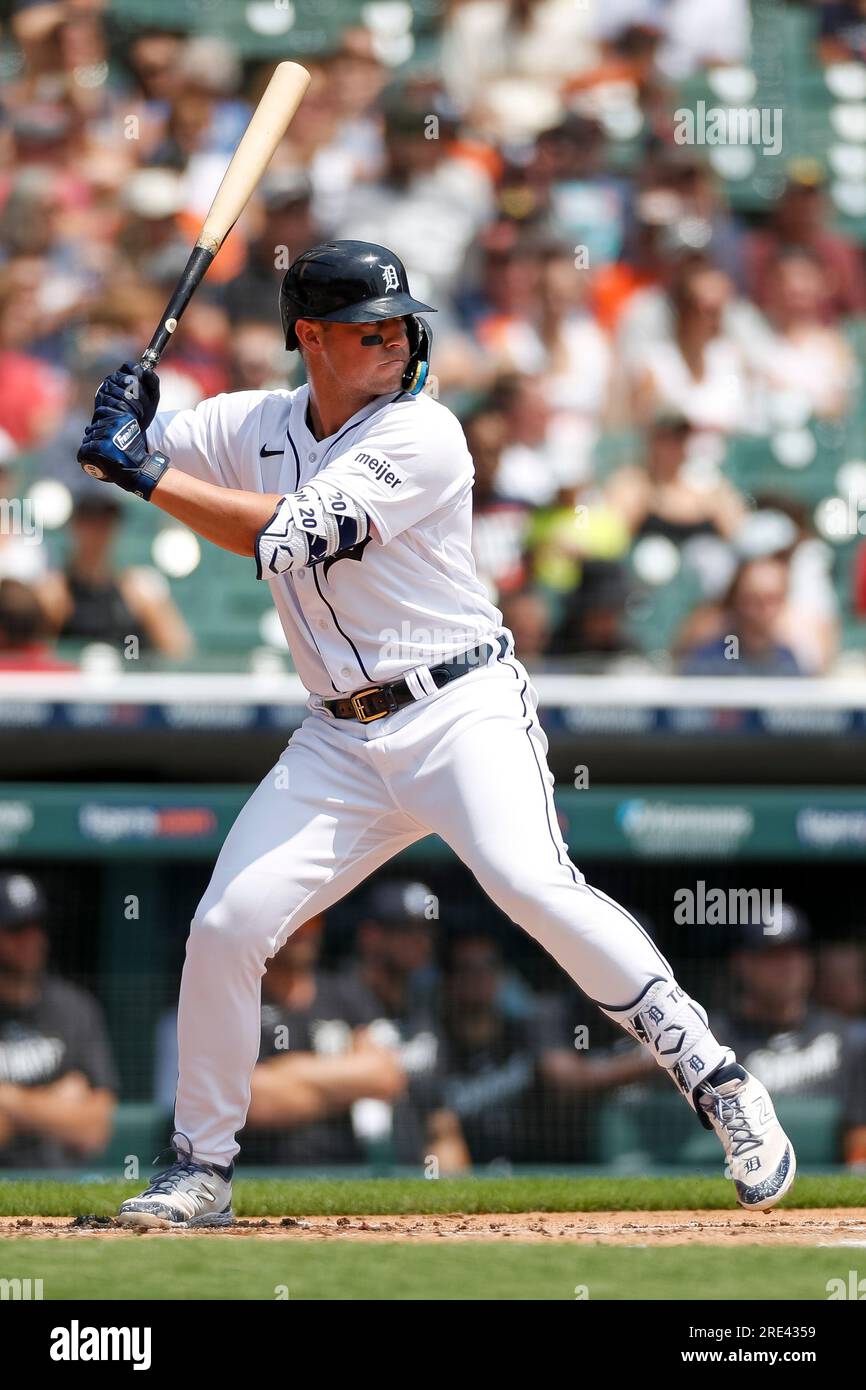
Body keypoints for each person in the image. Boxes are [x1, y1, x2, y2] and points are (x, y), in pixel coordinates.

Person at [76, 238, 796, 1227]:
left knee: (528, 883)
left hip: (458, 707)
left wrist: (143, 470)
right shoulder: (256, 422)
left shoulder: (424, 437)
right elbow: (144, 437)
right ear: (310, 337)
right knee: (224, 926)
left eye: (400, 325)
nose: (395, 341)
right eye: (370, 329)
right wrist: (123, 408)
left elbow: (285, 534)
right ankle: (201, 1164)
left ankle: (715, 1077)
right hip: (337, 740)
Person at [712, 906, 866, 1168]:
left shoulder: (846, 1037)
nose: (788, 966)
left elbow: (859, 1133)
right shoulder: (714, 1038)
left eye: (795, 953)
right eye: (772, 955)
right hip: (733, 1176)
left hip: (825, 1179)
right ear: (742, 963)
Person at [0, 870, 118, 1168]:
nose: (32, 939)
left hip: (55, 1181)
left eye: (37, 925)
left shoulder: (74, 1008)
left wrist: (10, 1101)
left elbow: (94, 1130)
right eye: (17, 928)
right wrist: (56, 1103)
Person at [36, 491, 193, 659]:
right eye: (90, 522)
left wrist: (148, 610)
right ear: (74, 526)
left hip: (127, 682)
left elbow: (179, 651)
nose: (97, 533)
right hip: (70, 681)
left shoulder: (137, 592)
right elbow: (35, 656)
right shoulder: (55, 593)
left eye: (105, 523)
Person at [679, 555, 803, 677]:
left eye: (772, 600)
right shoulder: (709, 661)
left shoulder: (788, 659)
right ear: (736, 600)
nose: (763, 609)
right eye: (753, 599)